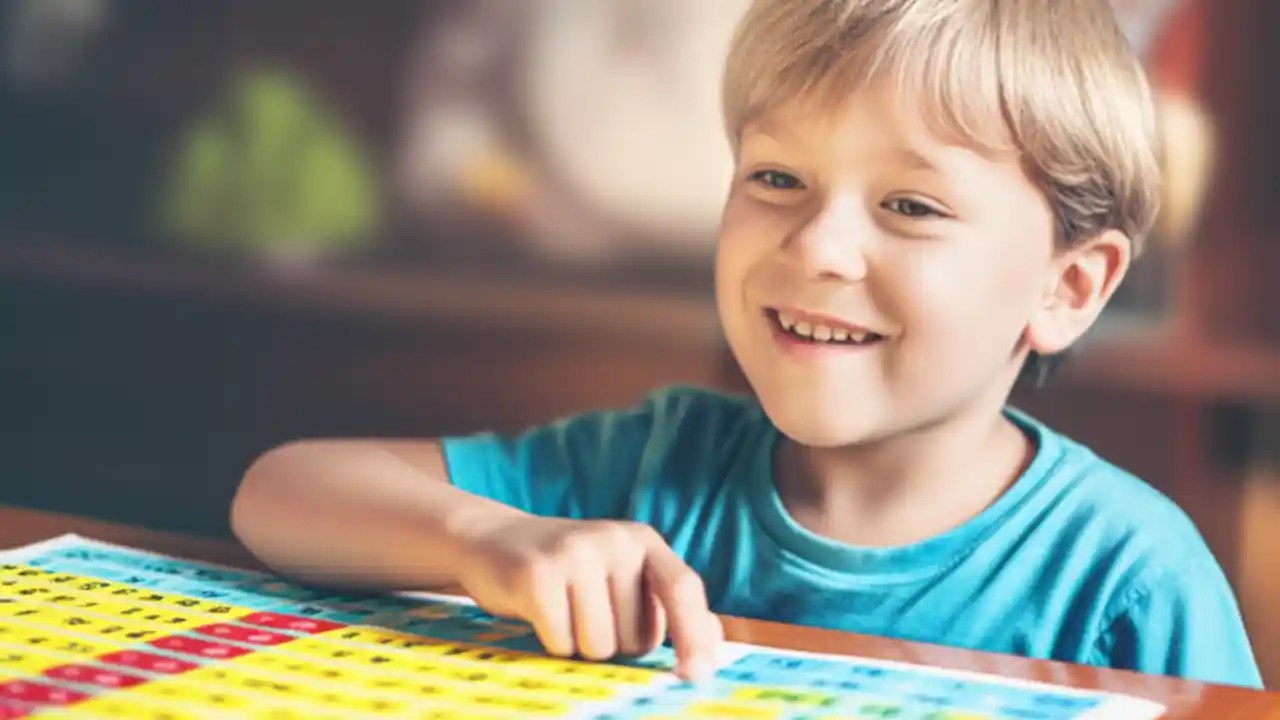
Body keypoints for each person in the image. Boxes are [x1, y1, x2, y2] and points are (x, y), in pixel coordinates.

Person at [230, 0, 1262, 688]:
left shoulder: (1128, 579)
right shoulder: (650, 465)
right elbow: (280, 493)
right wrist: (487, 543)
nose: (815, 245)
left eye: (908, 204)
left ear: (1066, 286)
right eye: (775, 179)